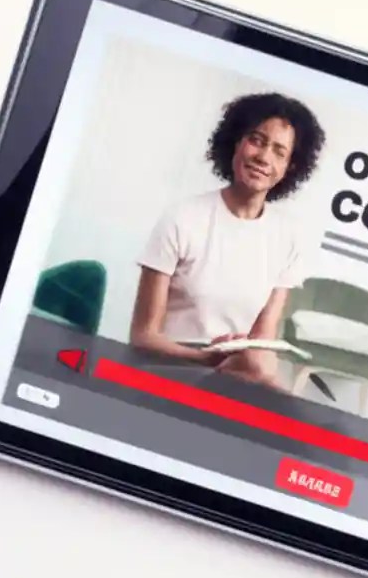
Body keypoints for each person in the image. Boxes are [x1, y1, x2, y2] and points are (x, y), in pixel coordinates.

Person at [129, 92, 326, 390]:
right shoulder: (182, 219)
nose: (263, 157)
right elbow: (143, 337)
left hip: (237, 372)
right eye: (256, 140)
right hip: (172, 365)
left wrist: (256, 364)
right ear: (236, 142)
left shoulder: (289, 236)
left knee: (297, 419)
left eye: (279, 151)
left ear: (291, 167)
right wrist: (203, 359)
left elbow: (262, 341)